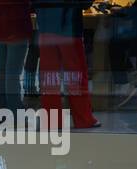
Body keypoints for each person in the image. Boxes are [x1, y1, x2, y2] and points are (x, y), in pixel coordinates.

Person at [33, 0, 99, 130]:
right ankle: (83, 119)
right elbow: (85, 3)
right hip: (69, 28)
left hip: (46, 27)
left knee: (49, 77)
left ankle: (52, 121)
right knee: (76, 75)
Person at [0, 0, 32, 108]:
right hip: (17, 23)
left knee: (1, 69)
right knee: (12, 72)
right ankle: (15, 111)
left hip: (0, 23)